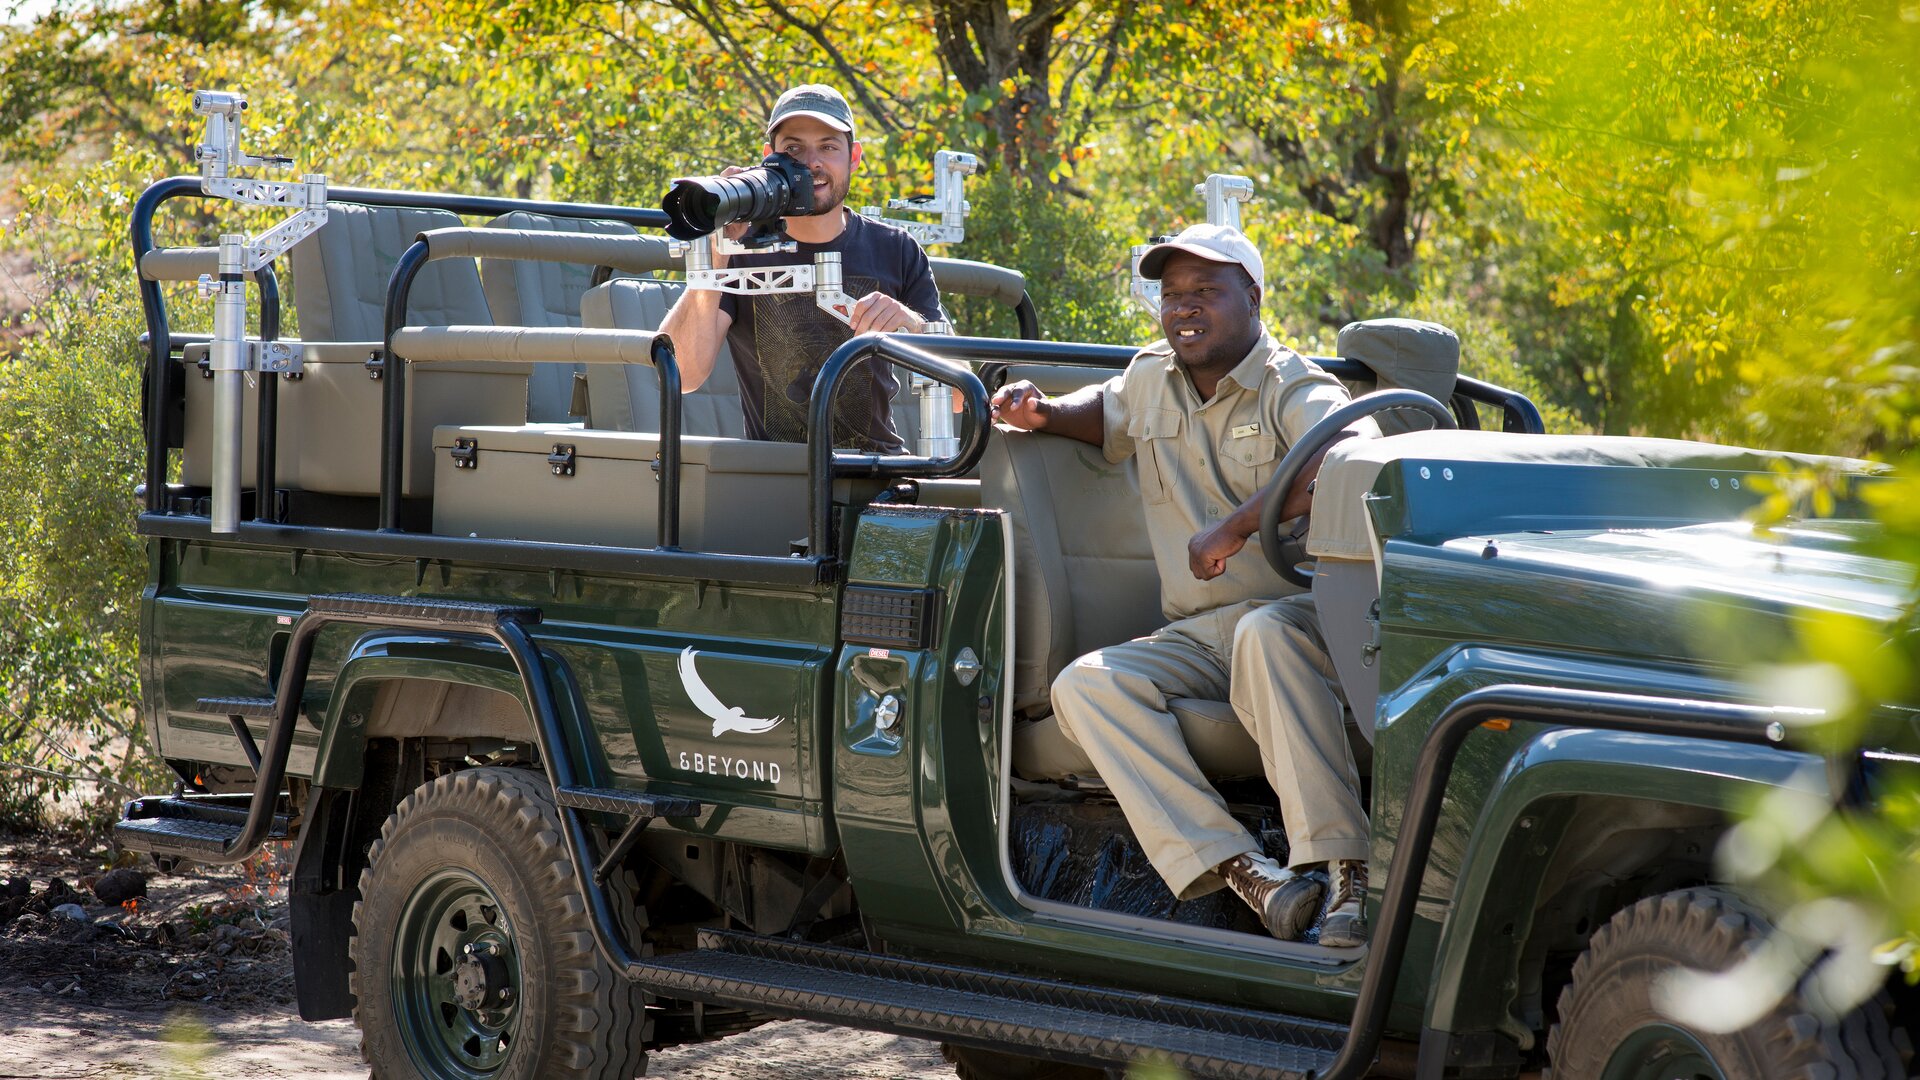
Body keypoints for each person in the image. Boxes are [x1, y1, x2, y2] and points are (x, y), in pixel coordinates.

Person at [989, 223, 1374, 946]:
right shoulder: (1151, 375)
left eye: (1206, 290)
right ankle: (1253, 876)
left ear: (1254, 298)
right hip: (1200, 633)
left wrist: (1232, 529)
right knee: (1087, 685)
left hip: (1304, 619)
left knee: (1265, 635)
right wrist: (1038, 411)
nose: (1184, 307)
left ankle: (1347, 875)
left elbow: (1345, 458)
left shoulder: (1291, 384)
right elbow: (1103, 415)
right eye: (1171, 295)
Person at [659, 83, 946, 454]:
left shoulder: (895, 248)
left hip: (877, 477)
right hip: (774, 479)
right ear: (769, 157)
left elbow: (957, 396)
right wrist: (717, 251)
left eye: (828, 147)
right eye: (793, 149)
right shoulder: (739, 251)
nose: (812, 163)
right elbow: (682, 374)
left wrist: (911, 326)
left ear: (854, 157)